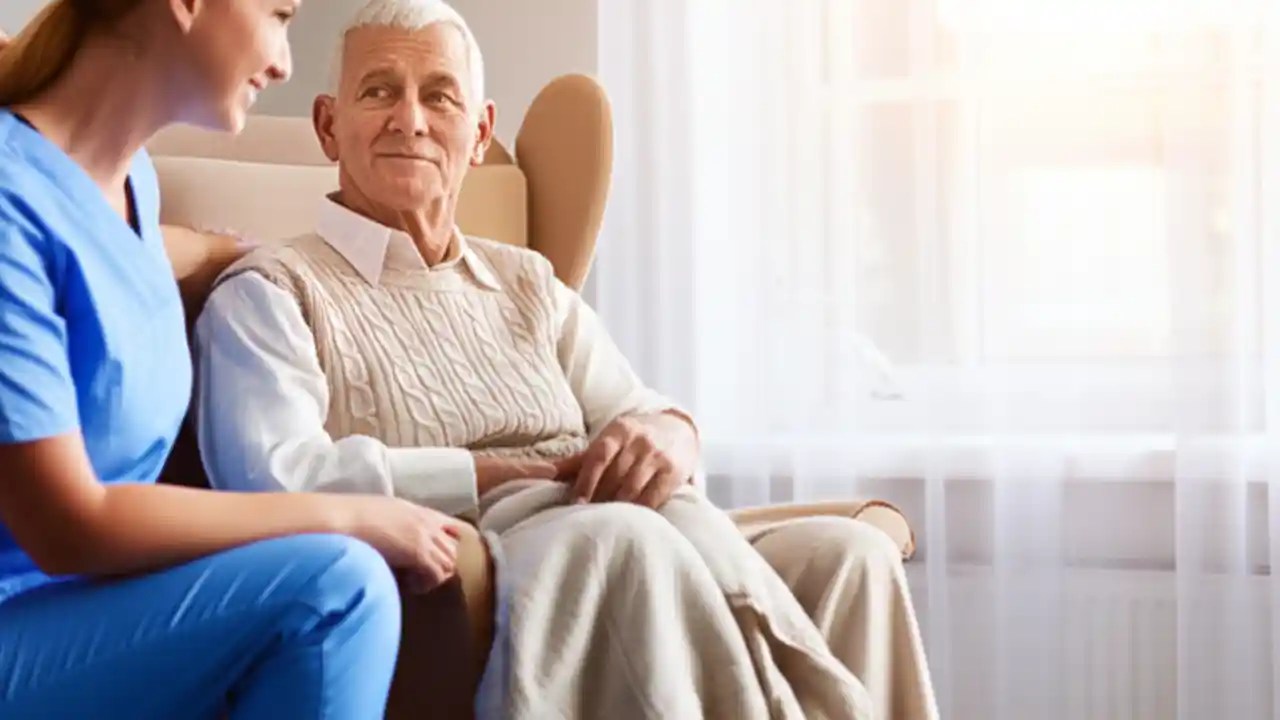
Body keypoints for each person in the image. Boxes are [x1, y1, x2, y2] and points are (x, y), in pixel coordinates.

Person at [194, 1, 940, 718]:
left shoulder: (529, 283)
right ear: (330, 125)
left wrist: (672, 433)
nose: (410, 119)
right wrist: (489, 475)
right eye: (379, 91)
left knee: (850, 558)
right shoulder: (273, 291)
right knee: (626, 541)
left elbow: (640, 412)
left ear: (480, 133)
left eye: (440, 96)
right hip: (486, 563)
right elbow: (274, 481)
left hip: (628, 525)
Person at [0, 3, 470, 717]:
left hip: (72, 614)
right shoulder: (10, 199)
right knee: (337, 587)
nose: (282, 60)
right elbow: (69, 524)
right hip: (24, 617)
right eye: (279, 14)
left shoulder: (130, 185)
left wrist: (228, 249)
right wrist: (348, 513)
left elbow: (138, 253)